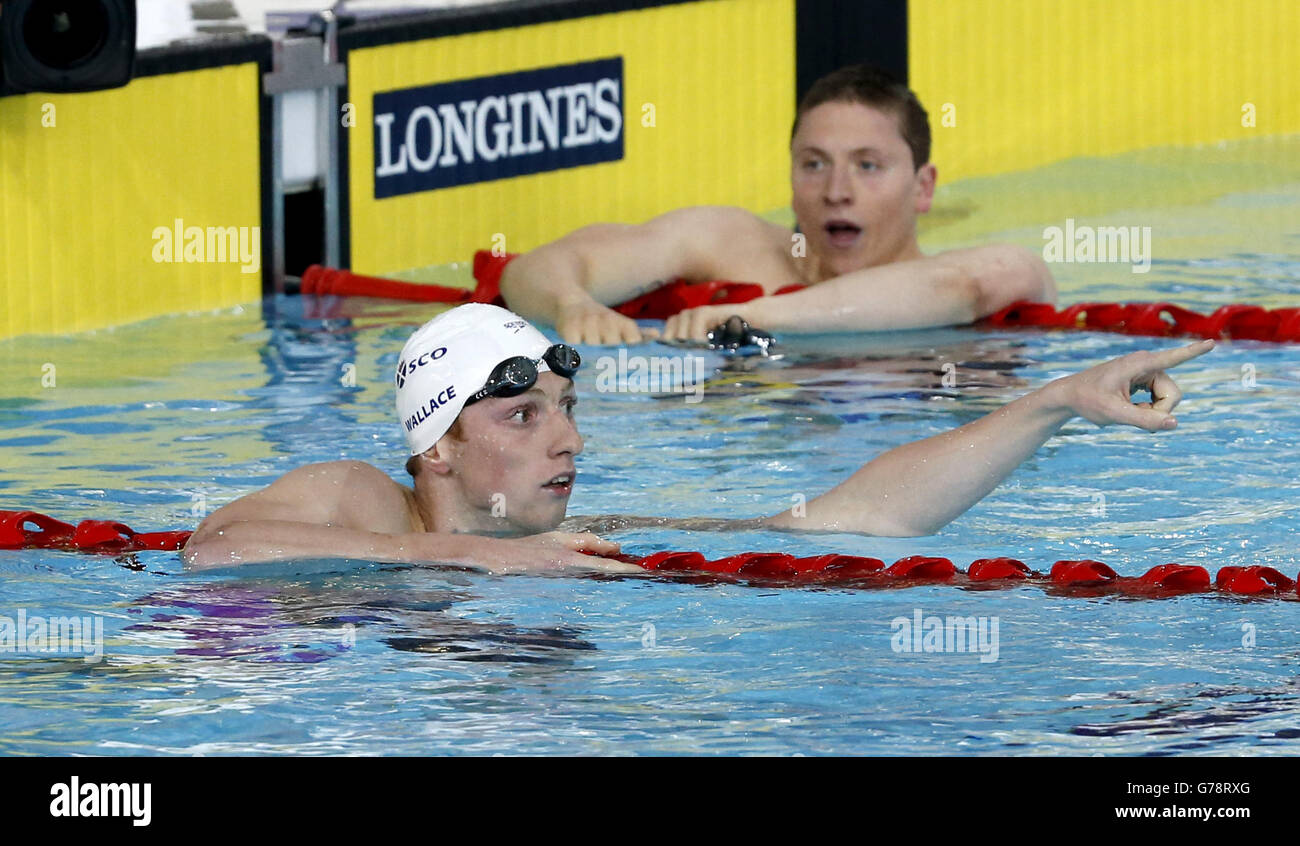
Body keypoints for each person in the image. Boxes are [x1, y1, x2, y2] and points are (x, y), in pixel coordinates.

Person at [182, 304, 1214, 575]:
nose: (566, 440)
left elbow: (849, 520)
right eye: (521, 415)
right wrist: (471, 557)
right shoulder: (367, 497)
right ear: (435, 450)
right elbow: (215, 549)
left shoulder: (583, 537)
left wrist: (1055, 401)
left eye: (567, 409)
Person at [497, 64, 1057, 346]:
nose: (837, 190)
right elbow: (529, 274)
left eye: (868, 165)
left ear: (924, 186)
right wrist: (572, 303)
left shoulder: (983, 276)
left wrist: (752, 319)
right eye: (814, 164)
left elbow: (969, 288)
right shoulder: (732, 244)